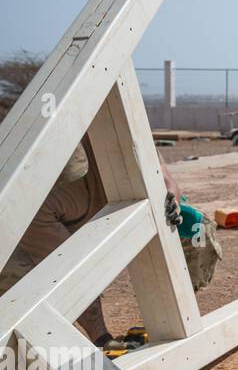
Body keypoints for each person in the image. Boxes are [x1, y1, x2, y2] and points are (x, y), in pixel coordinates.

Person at [0, 141, 217, 350]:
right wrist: (101, 337)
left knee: (198, 229)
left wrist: (172, 199)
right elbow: (68, 270)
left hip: (121, 217)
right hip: (45, 230)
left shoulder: (131, 137)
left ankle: (172, 319)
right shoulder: (69, 184)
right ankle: (25, 349)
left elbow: (165, 175)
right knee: (21, 273)